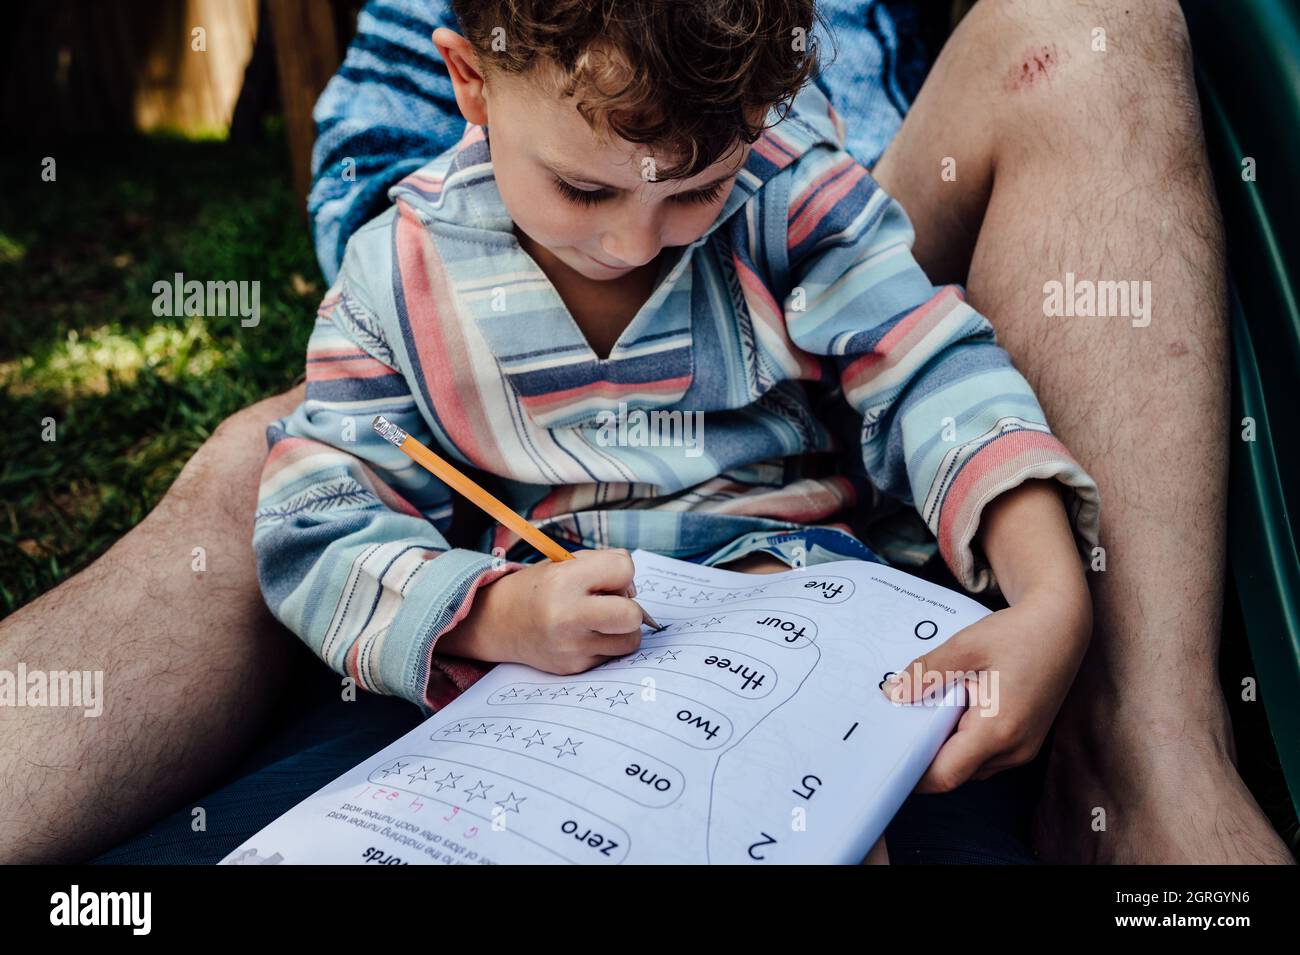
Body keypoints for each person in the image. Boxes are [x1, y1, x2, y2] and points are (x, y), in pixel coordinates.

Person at [0, 0, 1290, 867]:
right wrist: (488, 611)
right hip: (551, 686)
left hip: (805, 622)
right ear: (469, 84)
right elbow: (319, 504)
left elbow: (929, 364)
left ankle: (1149, 768)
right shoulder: (404, 274)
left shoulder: (789, 200)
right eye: (585, 190)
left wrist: (1054, 592)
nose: (632, 243)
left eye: (692, 192)